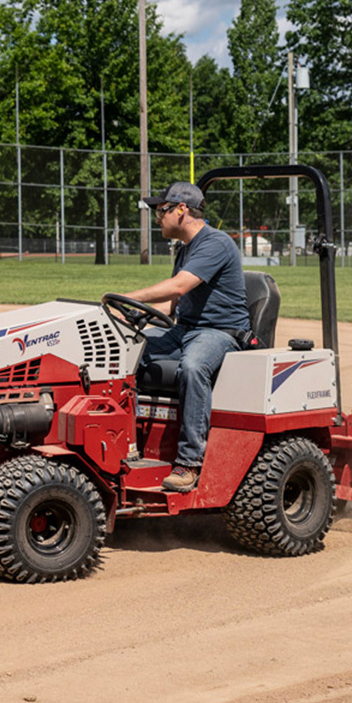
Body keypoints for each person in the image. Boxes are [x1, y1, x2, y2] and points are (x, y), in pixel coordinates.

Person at [120, 182, 251, 493]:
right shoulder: (185, 249)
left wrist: (126, 296)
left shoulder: (215, 243)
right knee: (125, 354)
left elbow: (178, 286)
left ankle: (189, 463)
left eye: (161, 210)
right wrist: (134, 314)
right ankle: (127, 446)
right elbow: (175, 304)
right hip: (185, 329)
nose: (157, 217)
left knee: (192, 368)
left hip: (220, 332)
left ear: (181, 210)